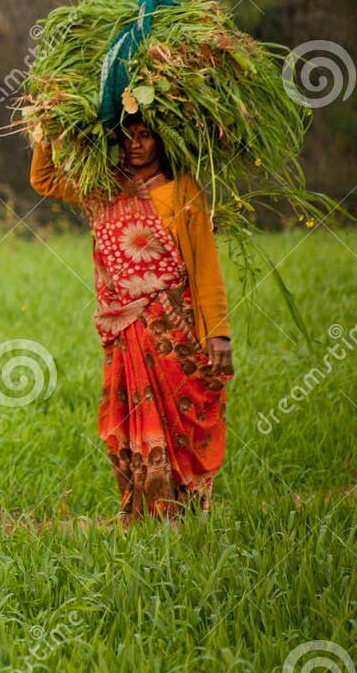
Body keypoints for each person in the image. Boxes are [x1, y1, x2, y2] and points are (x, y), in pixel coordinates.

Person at [30, 117, 233, 521]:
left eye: (145, 136)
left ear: (162, 140)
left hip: (176, 324)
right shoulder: (104, 187)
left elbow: (206, 265)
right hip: (127, 328)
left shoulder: (182, 190)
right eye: (128, 137)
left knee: (186, 419)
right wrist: (46, 129)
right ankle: (144, 507)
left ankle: (190, 507)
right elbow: (45, 179)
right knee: (127, 421)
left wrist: (219, 334)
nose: (136, 146)